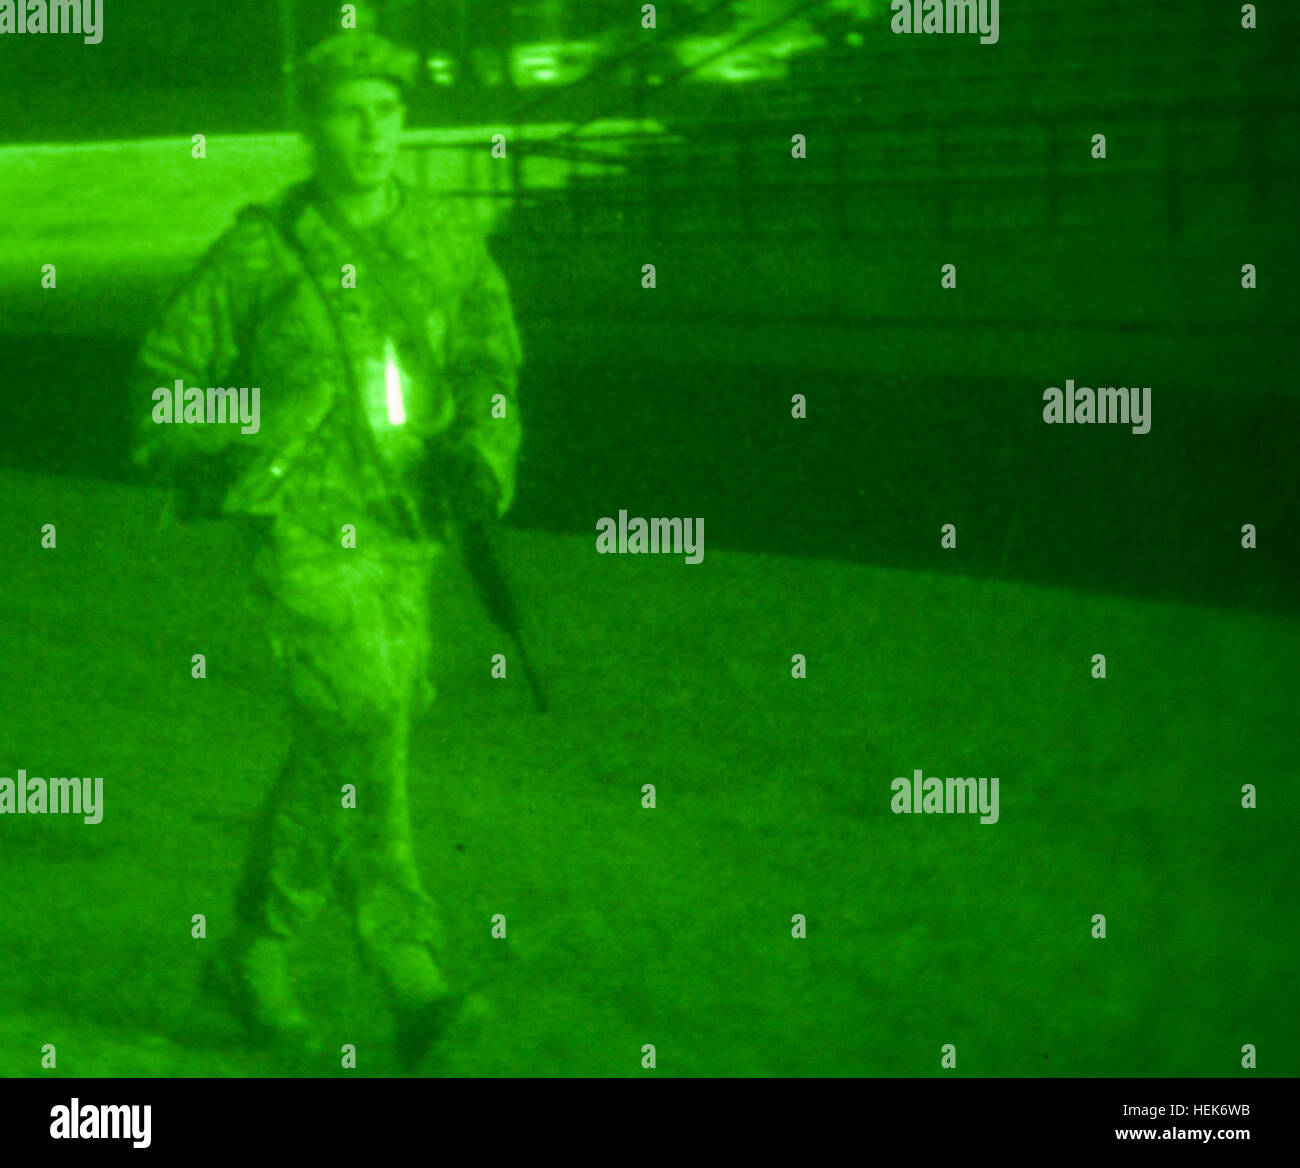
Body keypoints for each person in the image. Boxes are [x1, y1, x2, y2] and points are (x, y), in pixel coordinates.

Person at [131, 31, 522, 1070]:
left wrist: (480, 451)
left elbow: (490, 362)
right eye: (349, 112)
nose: (371, 132)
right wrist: (234, 439)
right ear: (313, 125)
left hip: (404, 534)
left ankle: (254, 949)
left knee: (348, 740)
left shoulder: (446, 241)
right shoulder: (262, 251)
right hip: (303, 531)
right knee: (365, 712)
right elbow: (166, 374)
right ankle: (409, 969)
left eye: (387, 111)